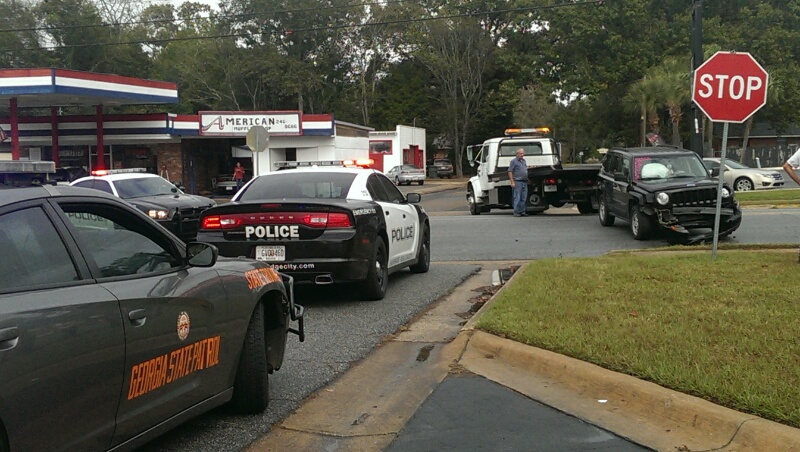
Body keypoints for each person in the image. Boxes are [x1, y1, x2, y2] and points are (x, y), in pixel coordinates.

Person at [507, 148, 528, 217]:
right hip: (517, 181)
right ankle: (516, 211)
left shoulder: (524, 161)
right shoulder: (514, 161)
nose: (522, 155)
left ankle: (522, 211)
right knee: (517, 197)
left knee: (523, 198)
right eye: (521, 153)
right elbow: (510, 171)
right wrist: (512, 182)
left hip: (524, 181)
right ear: (517, 154)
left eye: (523, 153)